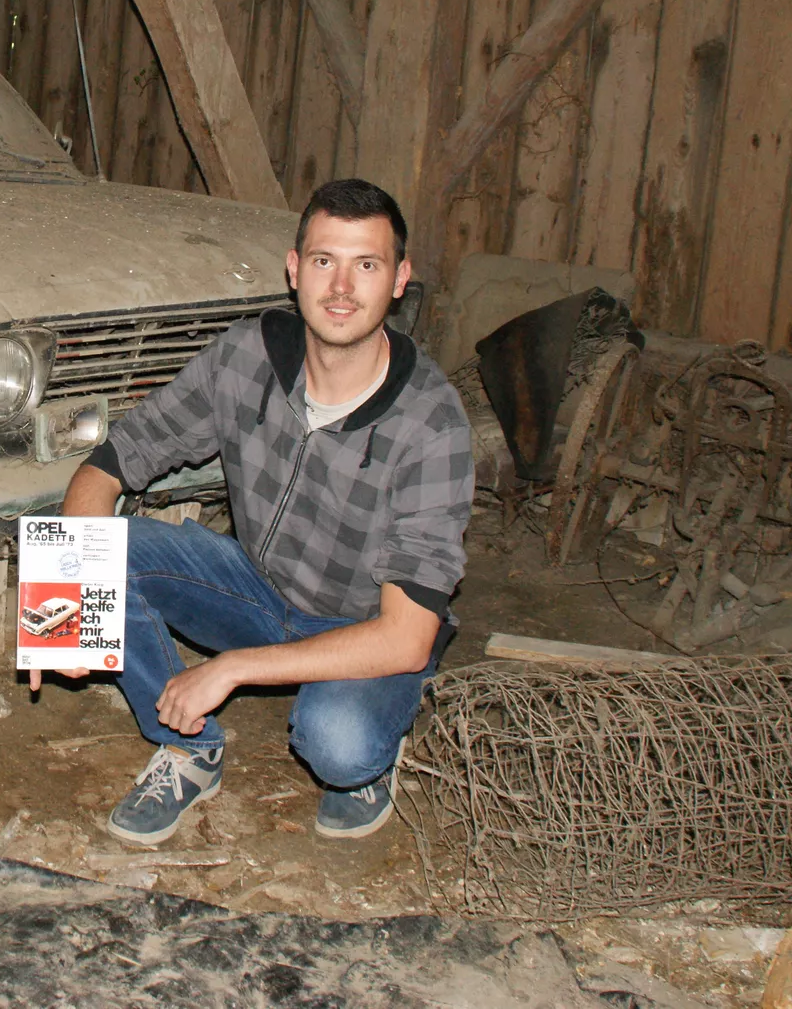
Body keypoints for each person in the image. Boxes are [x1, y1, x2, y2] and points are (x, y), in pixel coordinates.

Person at [30, 179, 472, 845]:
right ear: (295, 270)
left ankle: (373, 759)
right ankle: (188, 747)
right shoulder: (245, 357)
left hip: (366, 625)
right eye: (325, 261)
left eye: (367, 265)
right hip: (258, 586)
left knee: (337, 743)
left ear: (400, 279)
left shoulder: (432, 423)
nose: (342, 288)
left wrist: (231, 667)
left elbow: (405, 634)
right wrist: (60, 607)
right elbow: (114, 459)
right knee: (101, 549)